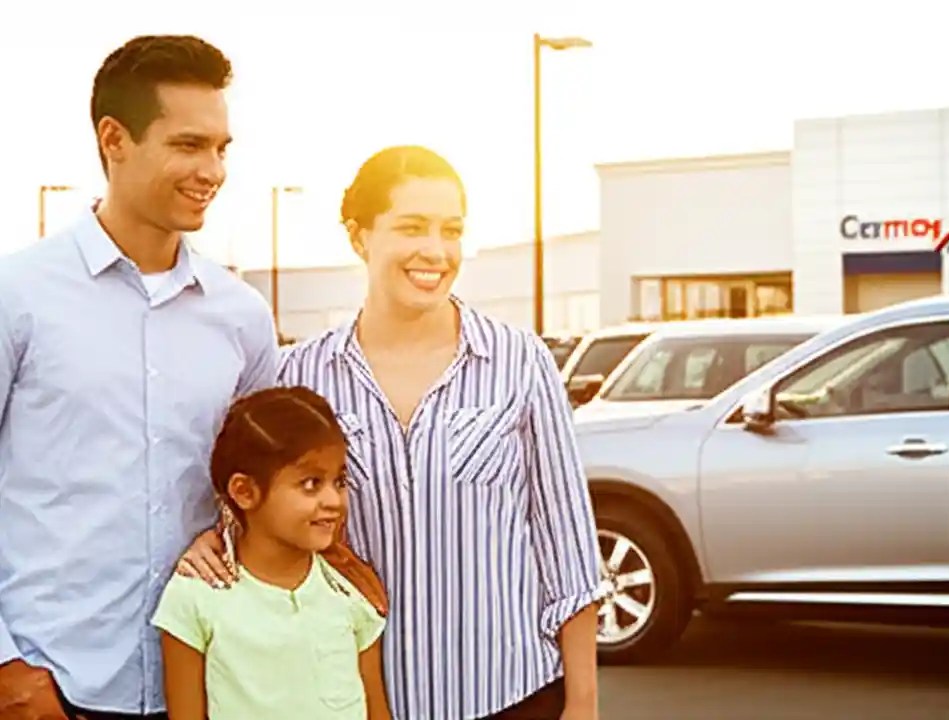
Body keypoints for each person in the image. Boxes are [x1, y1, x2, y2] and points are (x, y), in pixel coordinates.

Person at [181, 145, 605, 719]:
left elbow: (569, 551)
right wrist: (214, 538)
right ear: (359, 237)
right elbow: (254, 515)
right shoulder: (301, 374)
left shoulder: (520, 361)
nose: (435, 250)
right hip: (356, 701)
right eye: (411, 227)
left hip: (510, 694)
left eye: (450, 230)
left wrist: (583, 704)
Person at [0, 35, 279, 720]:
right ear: (114, 139)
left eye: (221, 148)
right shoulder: (19, 295)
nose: (211, 169)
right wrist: (6, 666)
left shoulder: (242, 317)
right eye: (188, 145)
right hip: (52, 690)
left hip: (205, 687)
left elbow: (264, 493)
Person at [151, 386, 392, 720]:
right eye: (310, 483)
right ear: (244, 492)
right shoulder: (194, 597)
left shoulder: (352, 591)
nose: (334, 501)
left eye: (339, 481)